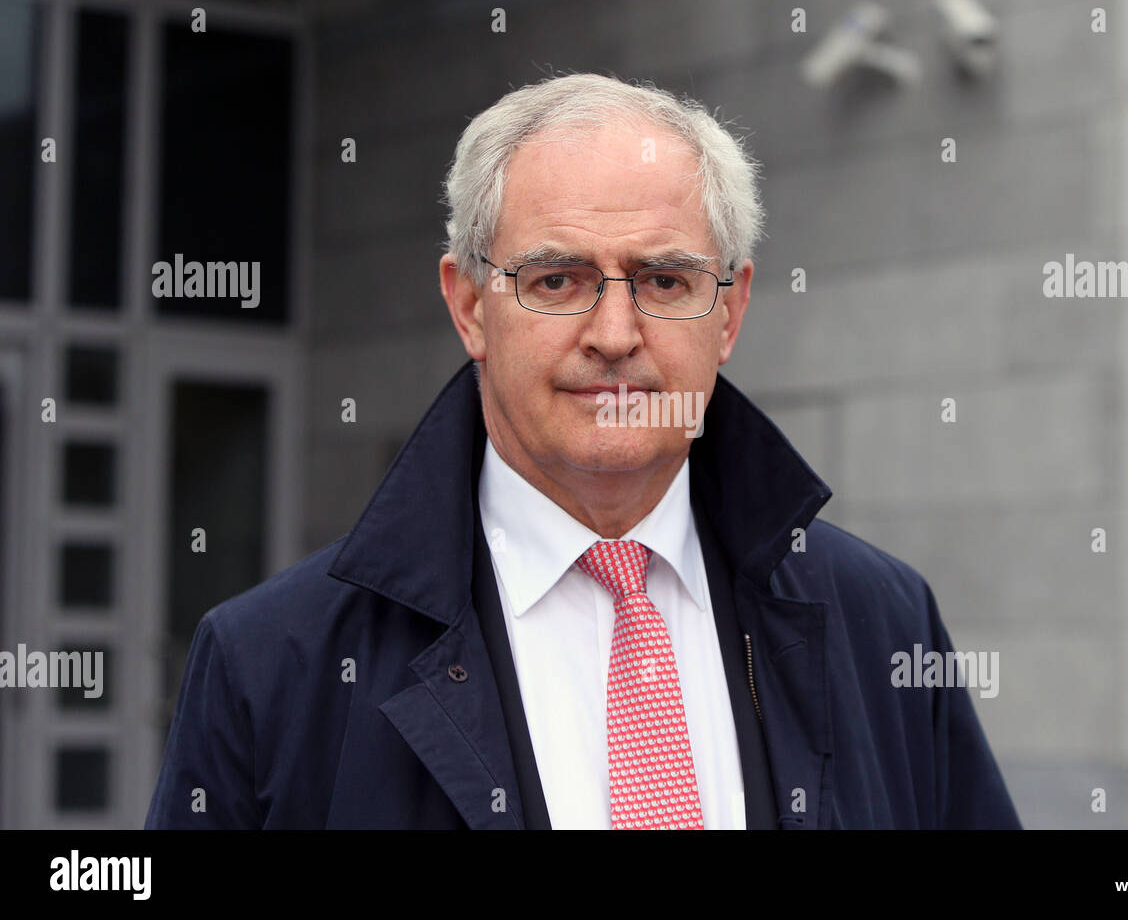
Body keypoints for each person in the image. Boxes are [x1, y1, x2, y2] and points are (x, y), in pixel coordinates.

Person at [145, 72, 1020, 830]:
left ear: (732, 311)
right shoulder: (271, 664)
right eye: (556, 279)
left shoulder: (885, 621)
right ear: (469, 305)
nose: (613, 334)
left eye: (664, 280)